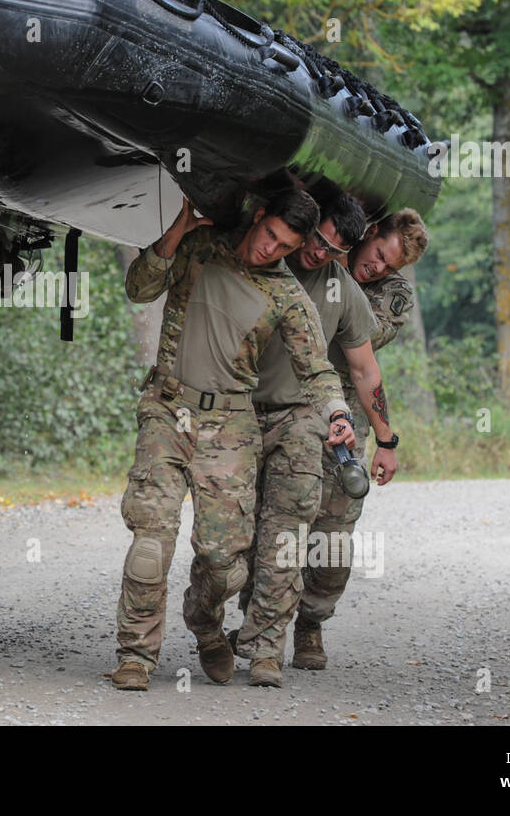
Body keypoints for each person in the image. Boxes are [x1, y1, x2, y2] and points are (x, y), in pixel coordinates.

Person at [109, 189, 356, 692]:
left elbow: (318, 368)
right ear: (259, 216)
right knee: (151, 542)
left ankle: (204, 621)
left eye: (285, 246)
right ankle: (135, 654)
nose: (271, 250)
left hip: (230, 427)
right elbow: (138, 288)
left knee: (225, 563)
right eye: (269, 236)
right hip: (168, 410)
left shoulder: (286, 294)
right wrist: (173, 235)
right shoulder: (200, 248)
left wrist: (337, 412)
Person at [232, 191, 399, 686]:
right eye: (316, 240)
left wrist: (386, 440)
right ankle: (218, 625)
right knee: (230, 539)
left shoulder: (341, 290)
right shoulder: (258, 256)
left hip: (301, 418)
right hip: (235, 415)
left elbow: (365, 368)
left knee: (291, 533)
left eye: (331, 249)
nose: (317, 253)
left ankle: (270, 644)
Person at [293, 207, 428, 671]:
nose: (379, 268)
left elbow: (358, 351)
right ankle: (261, 625)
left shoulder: (392, 294)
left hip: (346, 417)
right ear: (371, 233)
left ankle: (310, 622)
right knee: (275, 524)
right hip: (286, 404)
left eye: (390, 266)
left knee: (332, 537)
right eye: (379, 255)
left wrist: (388, 443)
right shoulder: (311, 254)